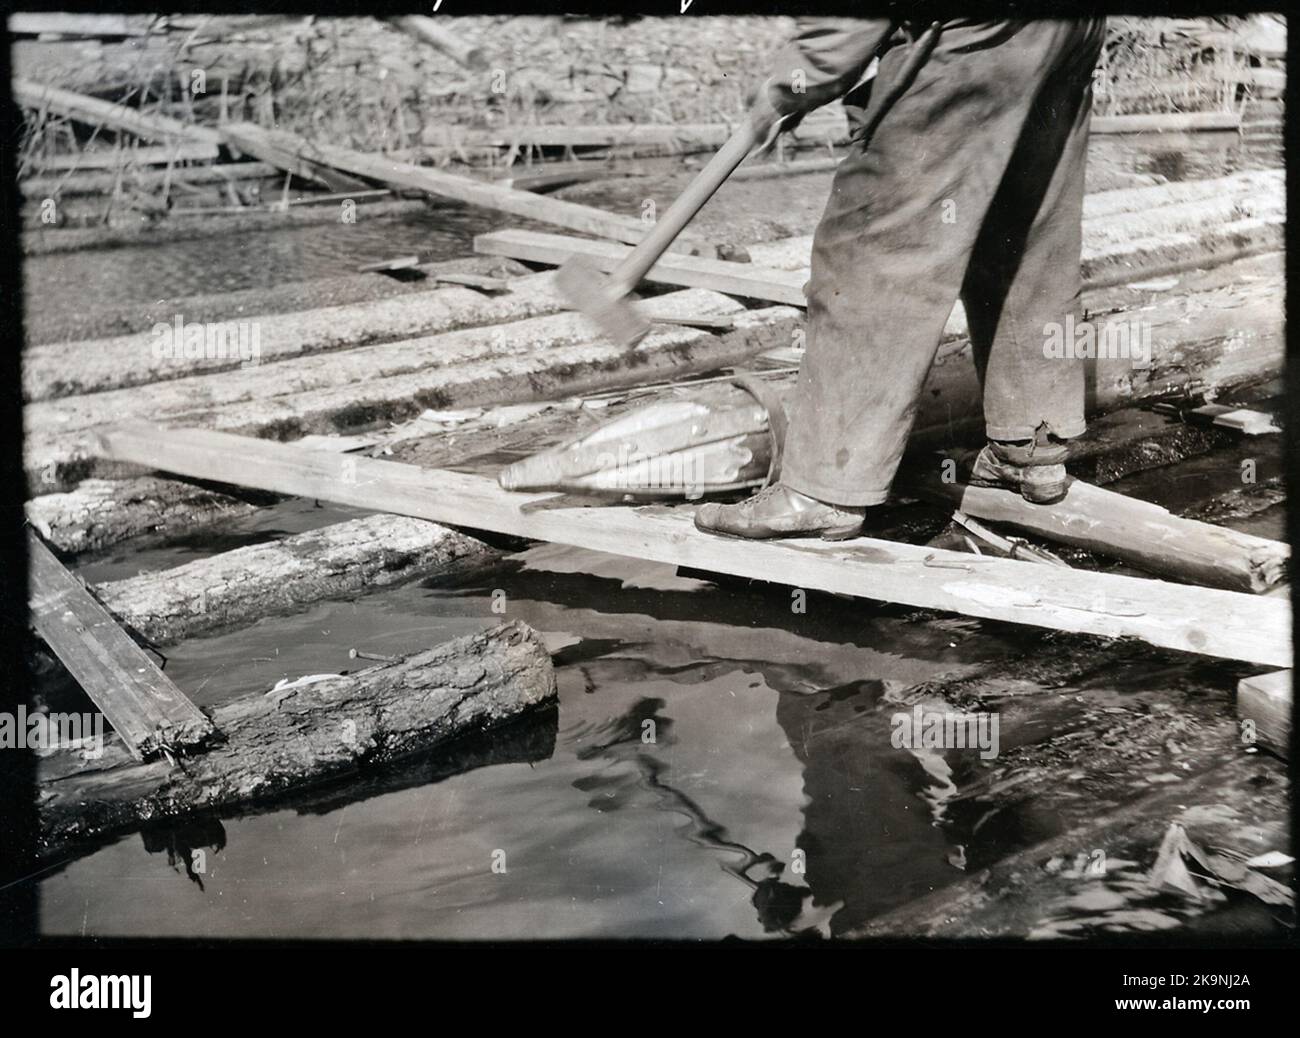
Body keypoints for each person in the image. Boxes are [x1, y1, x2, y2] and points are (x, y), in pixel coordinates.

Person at [695, 16, 1107, 541]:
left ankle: (823, 489)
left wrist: (791, 84)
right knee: (1020, 232)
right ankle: (1029, 449)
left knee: (872, 242)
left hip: (976, 34)